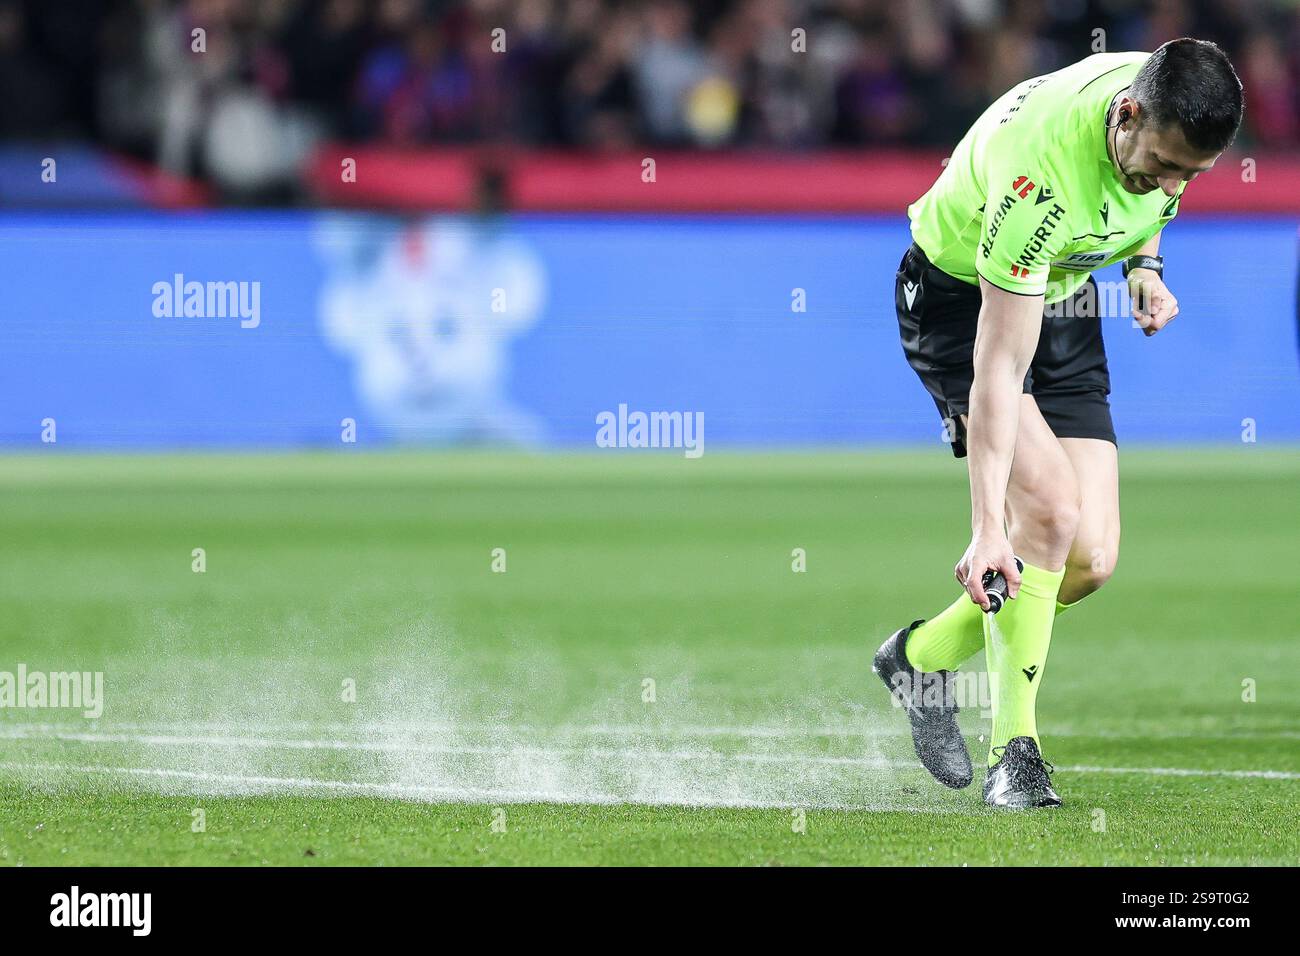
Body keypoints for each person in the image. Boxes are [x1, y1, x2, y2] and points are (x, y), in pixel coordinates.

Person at [873, 39, 1244, 808]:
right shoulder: (1039, 178)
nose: (1172, 185)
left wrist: (1146, 265)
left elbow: (1150, 200)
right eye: (1164, 164)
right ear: (1127, 115)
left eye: (1191, 175)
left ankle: (920, 656)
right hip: (961, 301)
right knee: (1044, 510)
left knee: (1091, 558)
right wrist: (986, 531)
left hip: (1063, 291)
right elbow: (1001, 369)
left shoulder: (1168, 108)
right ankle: (1017, 751)